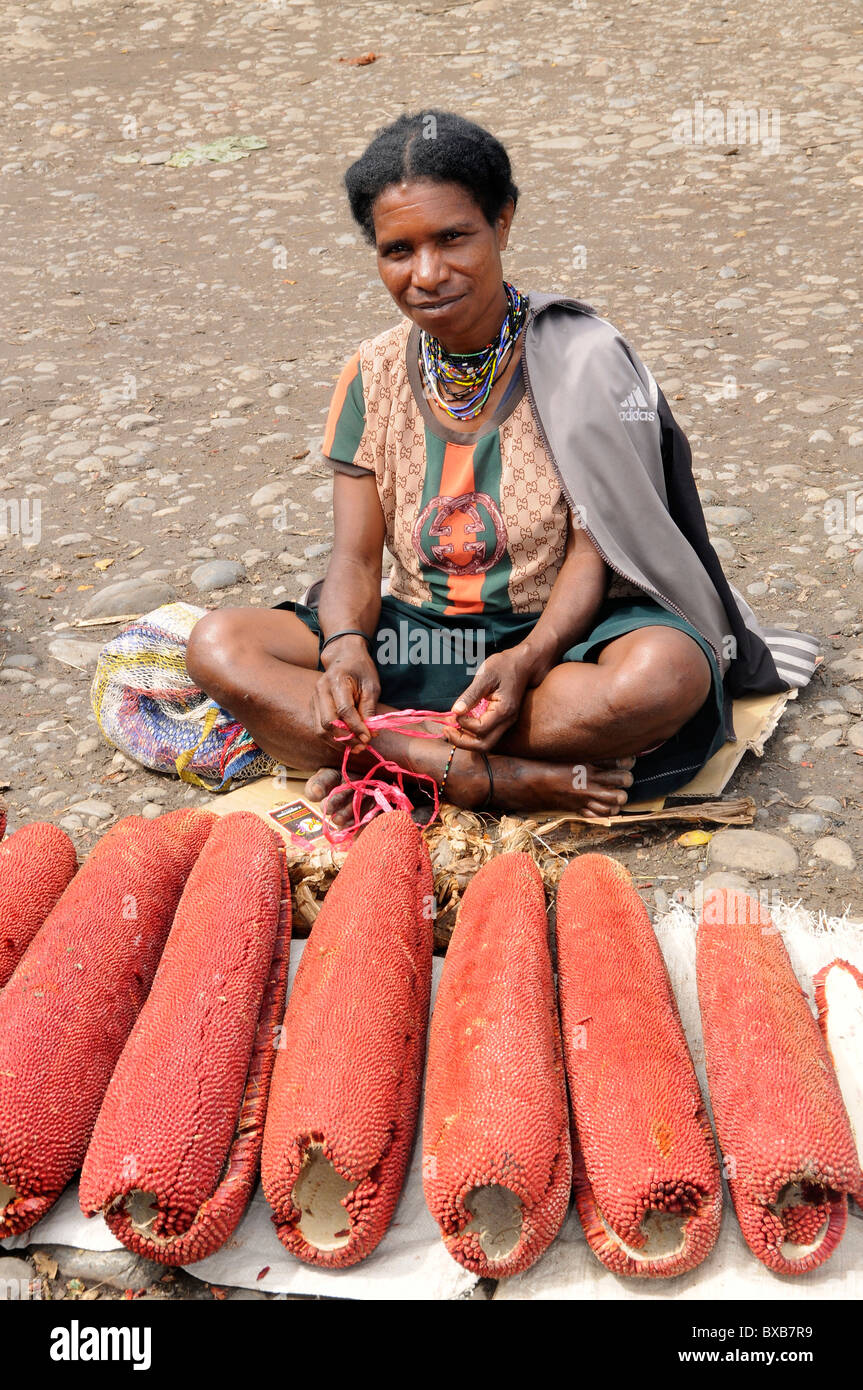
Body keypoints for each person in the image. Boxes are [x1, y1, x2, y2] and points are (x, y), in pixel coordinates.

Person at [185, 111, 817, 825]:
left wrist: (527, 660)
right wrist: (345, 649)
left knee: (663, 677)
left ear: (502, 222)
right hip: (413, 632)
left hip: (559, 641)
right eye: (398, 250)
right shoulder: (368, 373)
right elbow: (355, 558)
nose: (427, 274)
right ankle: (480, 776)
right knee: (219, 643)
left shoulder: (582, 360)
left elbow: (594, 548)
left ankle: (378, 747)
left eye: (453, 238)